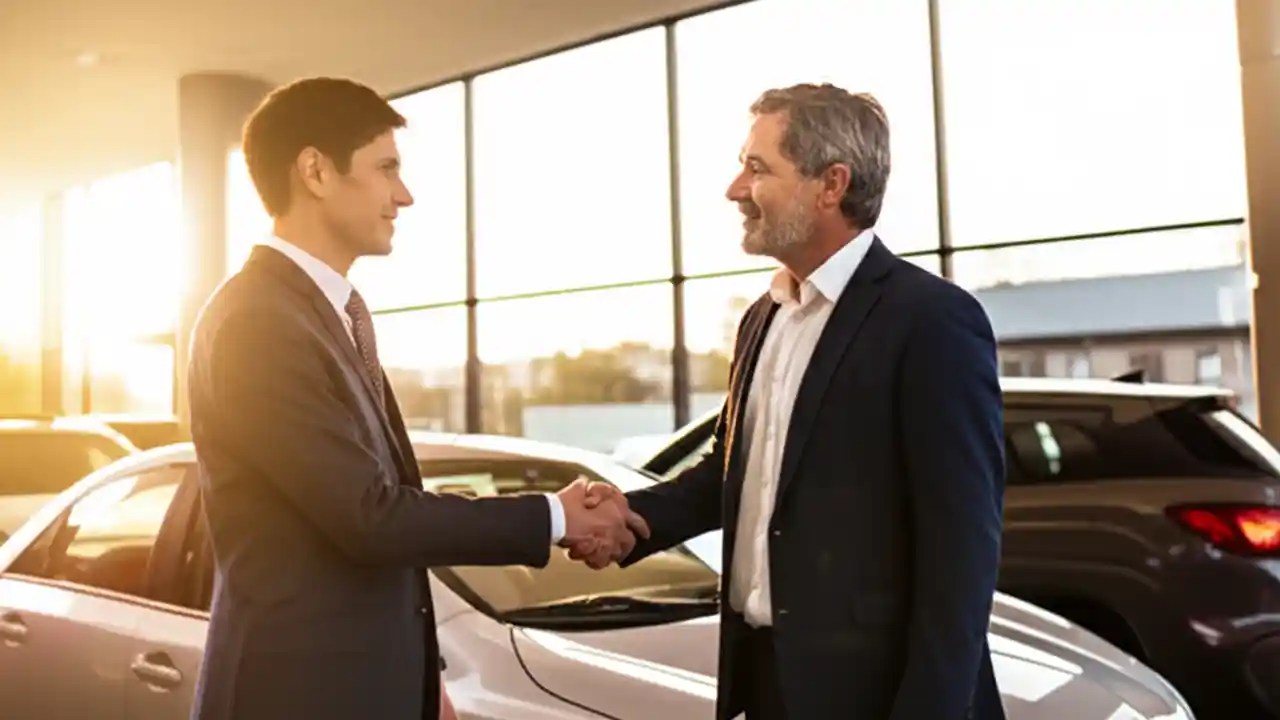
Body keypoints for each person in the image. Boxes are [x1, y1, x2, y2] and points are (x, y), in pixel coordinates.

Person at [185, 76, 646, 720]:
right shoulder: (256, 322)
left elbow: (376, 517)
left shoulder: (329, 311)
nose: (403, 195)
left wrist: (421, 681)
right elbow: (369, 518)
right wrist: (558, 517)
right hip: (297, 695)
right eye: (386, 168)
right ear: (315, 171)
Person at [571, 84, 1006, 719]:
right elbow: (733, 475)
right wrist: (626, 518)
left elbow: (963, 550)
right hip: (768, 684)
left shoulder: (933, 321)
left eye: (757, 168)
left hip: (877, 699)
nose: (734, 190)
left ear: (831, 184)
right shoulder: (762, 318)